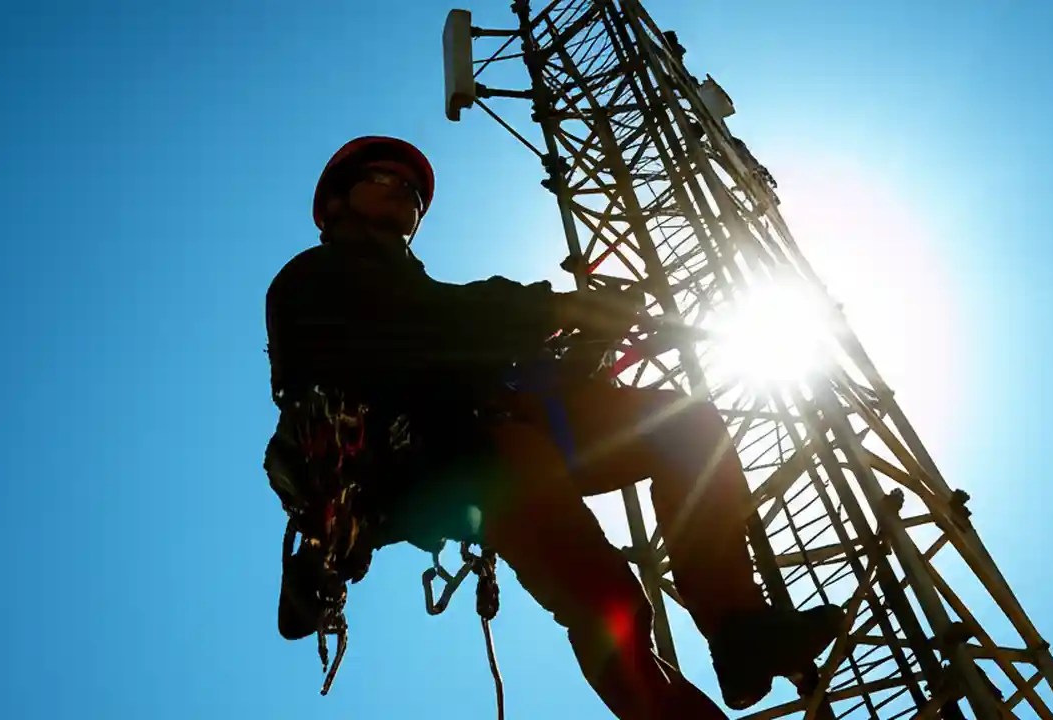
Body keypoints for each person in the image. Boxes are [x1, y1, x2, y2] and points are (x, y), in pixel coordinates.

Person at [262, 135, 845, 719]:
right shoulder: (313, 280)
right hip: (453, 460)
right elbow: (432, 322)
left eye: (412, 191)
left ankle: (739, 630)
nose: (405, 195)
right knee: (608, 603)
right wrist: (558, 311)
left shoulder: (416, 290)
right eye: (384, 181)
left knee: (683, 426)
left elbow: (456, 328)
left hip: (512, 428)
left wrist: (573, 342)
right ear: (336, 204)